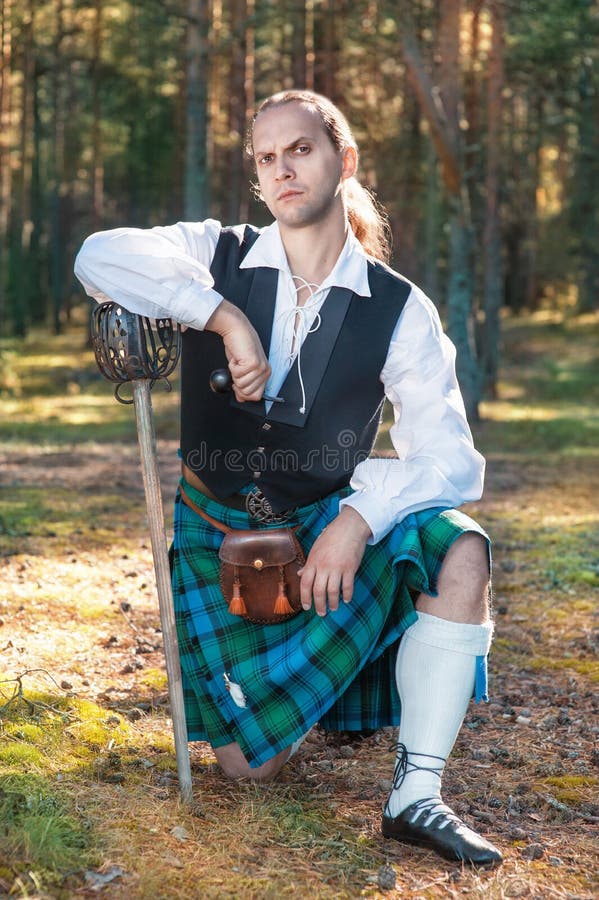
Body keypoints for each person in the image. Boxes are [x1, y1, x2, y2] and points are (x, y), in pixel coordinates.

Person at [75, 90, 502, 867]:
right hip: (216, 532)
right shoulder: (215, 254)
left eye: (299, 149)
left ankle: (417, 794)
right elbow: (97, 255)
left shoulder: (399, 308)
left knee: (458, 548)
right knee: (248, 770)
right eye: (266, 158)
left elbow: (447, 457)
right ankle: (333, 681)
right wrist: (221, 317)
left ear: (344, 159)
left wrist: (357, 522)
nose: (282, 170)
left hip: (320, 535)